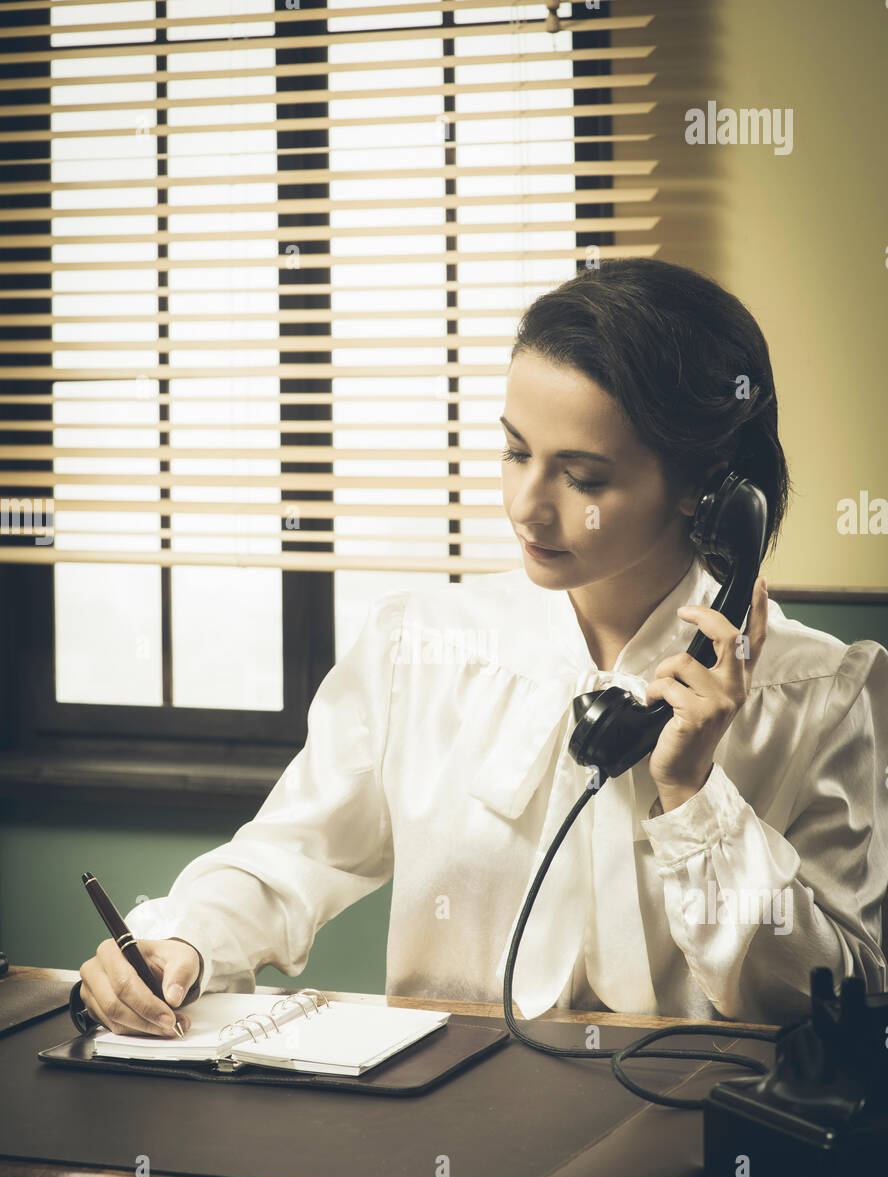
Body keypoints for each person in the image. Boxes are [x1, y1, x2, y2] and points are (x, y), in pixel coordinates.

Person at [74, 257, 888, 1037]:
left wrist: (693, 794)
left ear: (704, 493)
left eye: (583, 477)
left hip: (705, 1143)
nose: (527, 509)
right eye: (514, 451)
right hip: (445, 1129)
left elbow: (840, 1001)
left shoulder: (820, 694)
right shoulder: (420, 649)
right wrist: (182, 941)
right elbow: (291, 852)